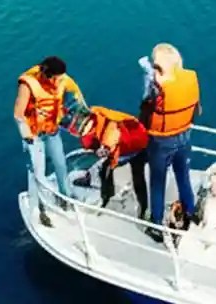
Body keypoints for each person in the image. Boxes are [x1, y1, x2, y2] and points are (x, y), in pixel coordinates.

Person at [137, 42, 201, 241]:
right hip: (184, 136)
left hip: (161, 140)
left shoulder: (156, 89)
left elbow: (145, 104)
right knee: (183, 176)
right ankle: (190, 212)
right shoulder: (190, 78)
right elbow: (197, 109)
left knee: (158, 182)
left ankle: (156, 224)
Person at [13, 56, 84, 227]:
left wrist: (79, 117)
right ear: (47, 75)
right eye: (57, 78)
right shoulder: (28, 85)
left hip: (52, 131)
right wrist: (27, 137)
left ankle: (65, 199)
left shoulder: (63, 80)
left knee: (61, 165)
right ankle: (41, 207)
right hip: (35, 136)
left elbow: (77, 97)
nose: (60, 81)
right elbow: (18, 114)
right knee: (38, 172)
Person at [67, 105, 150, 218]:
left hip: (131, 145)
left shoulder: (109, 130)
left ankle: (107, 200)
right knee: (135, 175)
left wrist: (106, 148)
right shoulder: (99, 116)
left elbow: (111, 135)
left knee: (110, 171)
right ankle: (143, 208)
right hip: (133, 139)